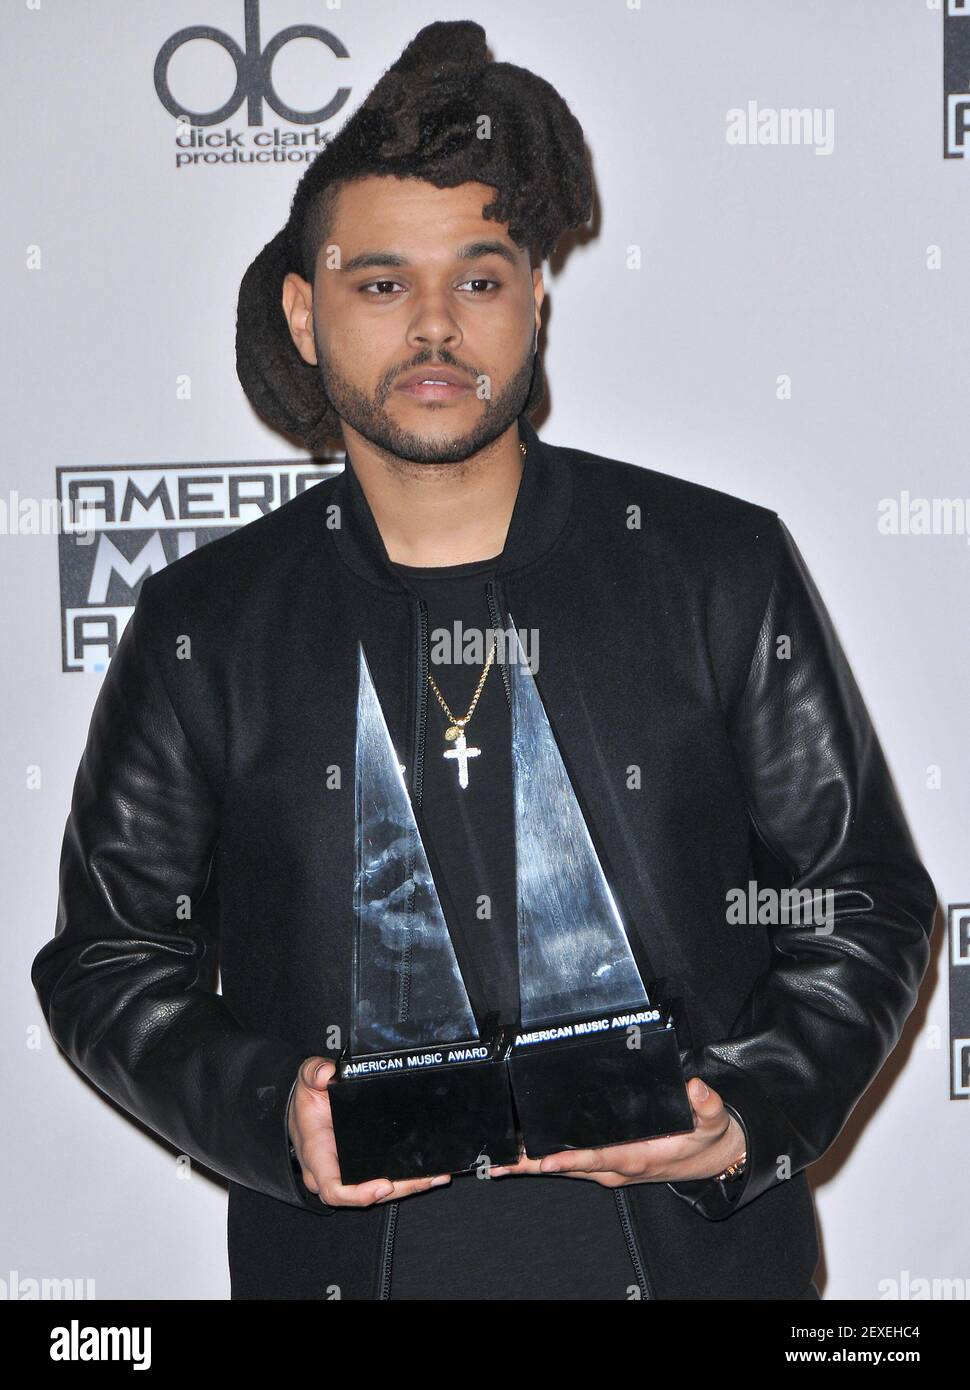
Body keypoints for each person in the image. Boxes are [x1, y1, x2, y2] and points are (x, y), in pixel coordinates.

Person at [32, 20, 936, 1301]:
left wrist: (747, 1113)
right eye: (383, 282)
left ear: (535, 300)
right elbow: (110, 958)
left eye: (481, 277)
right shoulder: (208, 623)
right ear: (305, 311)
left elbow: (859, 896)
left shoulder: (714, 565)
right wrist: (262, 1111)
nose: (437, 328)